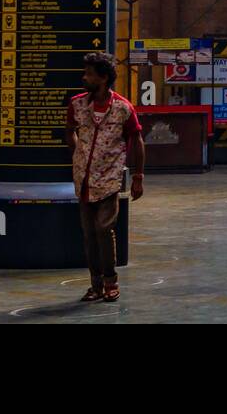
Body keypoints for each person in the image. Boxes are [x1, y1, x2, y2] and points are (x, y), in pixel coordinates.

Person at [65, 51, 144, 303]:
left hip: (108, 179)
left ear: (103, 77)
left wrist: (138, 176)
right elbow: (69, 131)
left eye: (89, 73)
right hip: (84, 180)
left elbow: (137, 138)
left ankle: (111, 281)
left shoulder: (123, 108)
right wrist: (78, 151)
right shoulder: (77, 104)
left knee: (104, 228)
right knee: (88, 233)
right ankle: (95, 285)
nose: (84, 77)